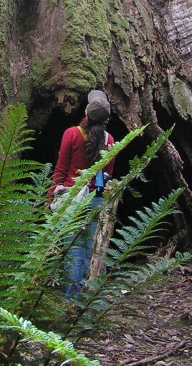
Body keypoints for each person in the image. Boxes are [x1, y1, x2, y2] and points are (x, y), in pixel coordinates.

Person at [49, 89, 115, 296]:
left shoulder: (71, 134)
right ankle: (91, 299)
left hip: (73, 198)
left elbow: (61, 170)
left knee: (73, 249)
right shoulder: (110, 140)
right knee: (93, 249)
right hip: (96, 199)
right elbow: (108, 174)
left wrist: (50, 197)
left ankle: (71, 298)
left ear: (86, 112)